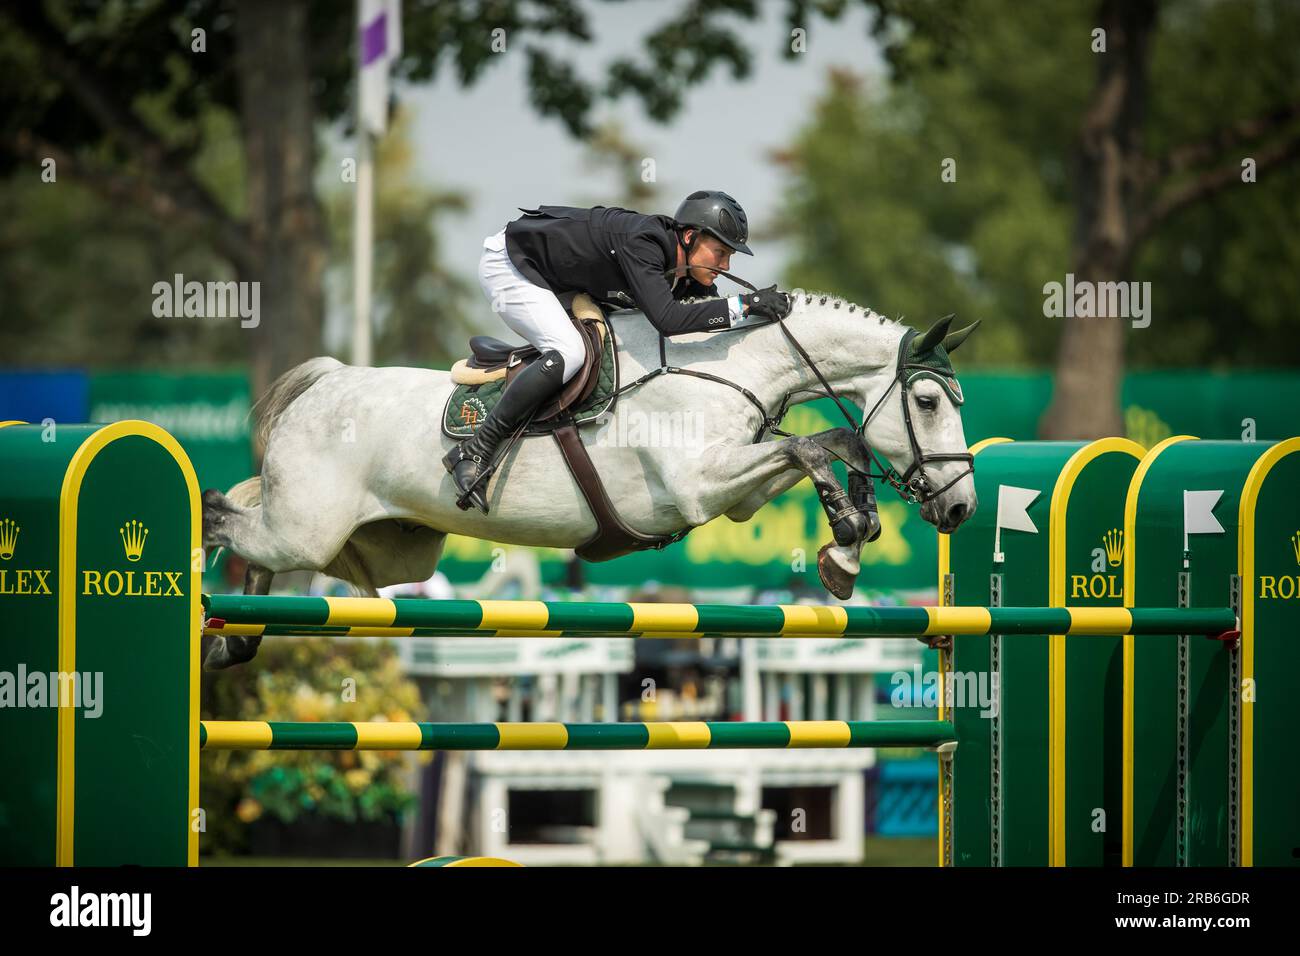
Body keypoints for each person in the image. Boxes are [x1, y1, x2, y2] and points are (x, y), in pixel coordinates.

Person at [444, 190, 793, 514]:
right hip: (511, 265)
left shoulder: (682, 266)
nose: (726, 266)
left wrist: (751, 310)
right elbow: (670, 321)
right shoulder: (644, 245)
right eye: (721, 253)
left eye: (729, 256)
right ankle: (475, 449)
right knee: (570, 351)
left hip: (557, 276)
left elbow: (704, 310)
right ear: (689, 238)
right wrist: (746, 304)